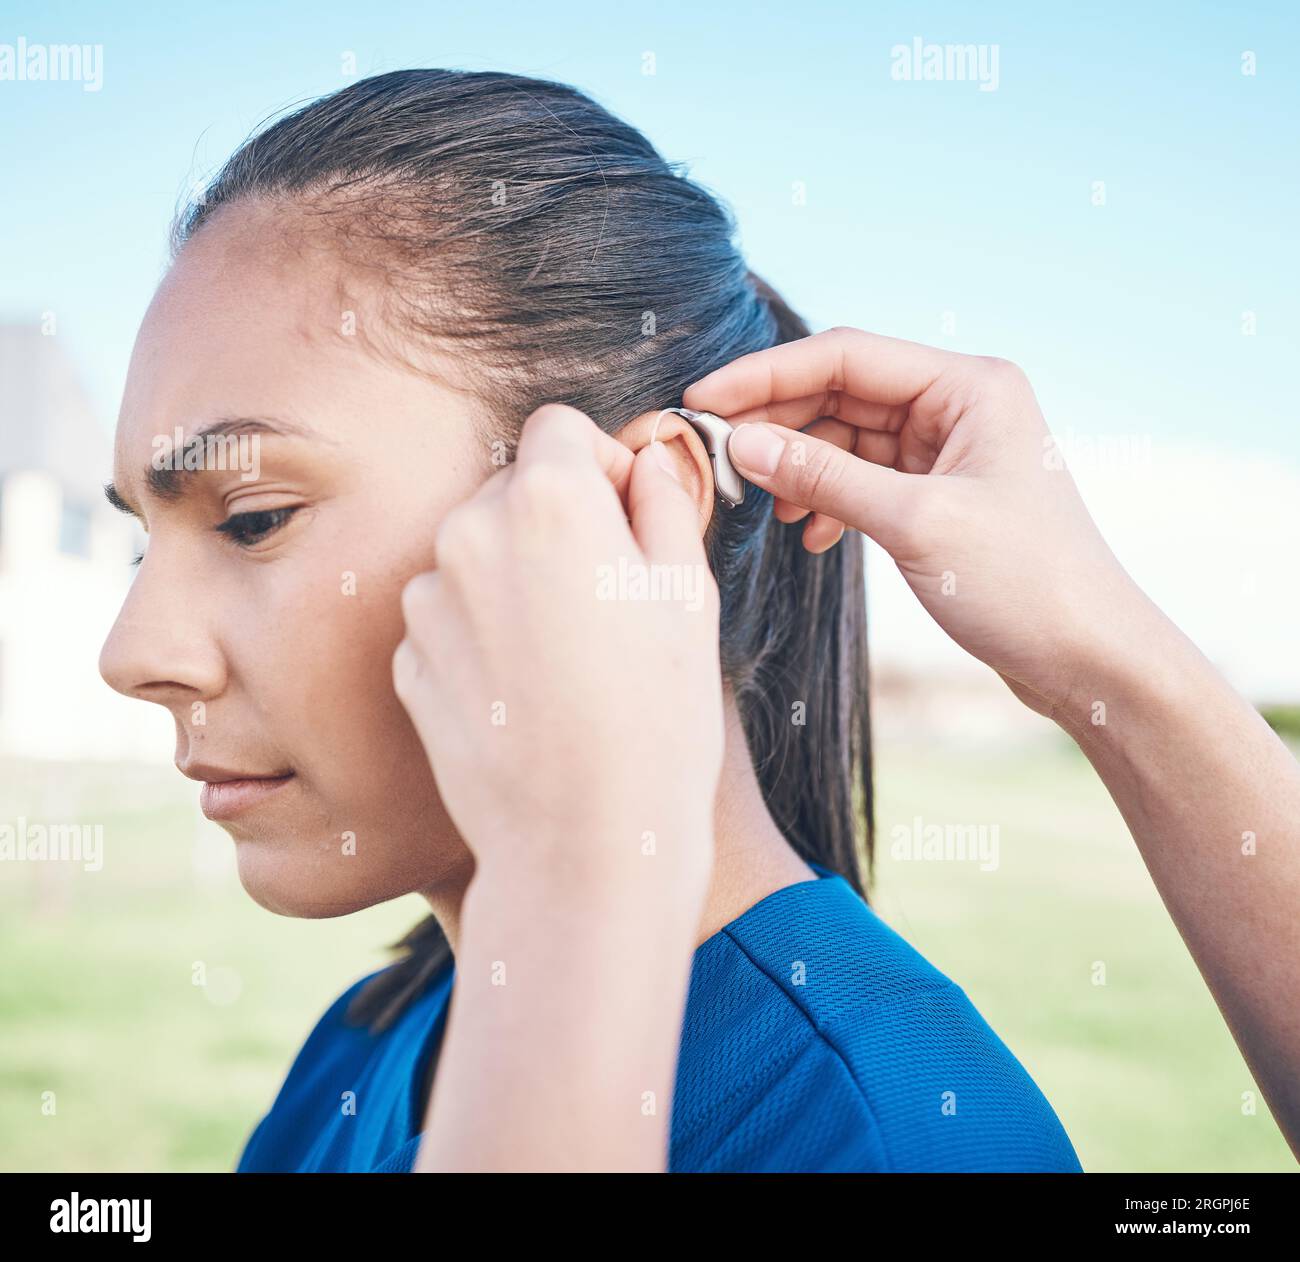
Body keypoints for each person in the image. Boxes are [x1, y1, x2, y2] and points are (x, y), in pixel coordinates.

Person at [98, 68, 1083, 1172]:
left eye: (252, 518)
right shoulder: (356, 1052)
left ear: (634, 498)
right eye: (143, 537)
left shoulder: (900, 1130)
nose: (134, 653)